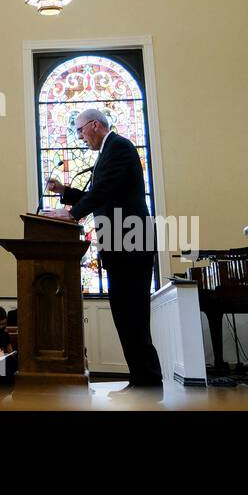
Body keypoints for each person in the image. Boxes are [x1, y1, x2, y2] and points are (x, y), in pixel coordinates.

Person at [53, 106, 163, 389]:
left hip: (130, 242)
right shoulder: (109, 151)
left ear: (94, 126)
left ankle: (148, 380)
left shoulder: (119, 147)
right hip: (121, 243)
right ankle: (141, 379)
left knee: (133, 314)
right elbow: (99, 195)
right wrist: (65, 193)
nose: (80, 138)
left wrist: (72, 213)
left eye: (80, 131)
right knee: (125, 314)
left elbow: (102, 193)